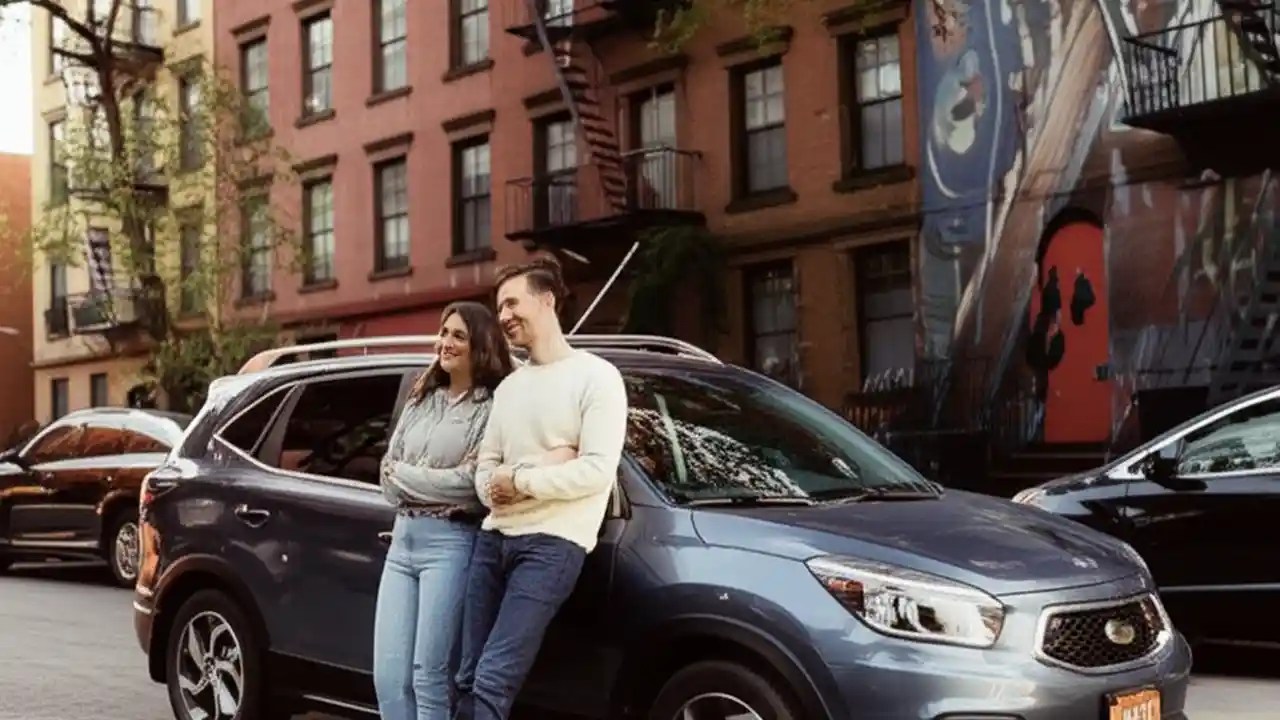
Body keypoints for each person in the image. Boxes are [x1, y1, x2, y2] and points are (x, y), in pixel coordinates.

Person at [452, 256, 629, 720]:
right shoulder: (511, 387)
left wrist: (520, 478)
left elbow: (594, 472)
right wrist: (534, 468)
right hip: (493, 540)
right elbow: (484, 473)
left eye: (512, 303)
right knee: (467, 676)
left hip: (553, 546)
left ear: (547, 299)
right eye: (499, 308)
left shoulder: (597, 377)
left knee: (492, 680)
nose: (504, 316)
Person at [371, 301, 513, 720]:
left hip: (451, 545)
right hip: (402, 542)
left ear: (480, 346)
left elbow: (471, 484)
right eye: (443, 332)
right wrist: (424, 480)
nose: (445, 343)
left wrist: (408, 477)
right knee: (388, 678)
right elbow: (385, 476)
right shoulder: (421, 395)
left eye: (458, 336)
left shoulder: (490, 406)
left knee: (429, 678)